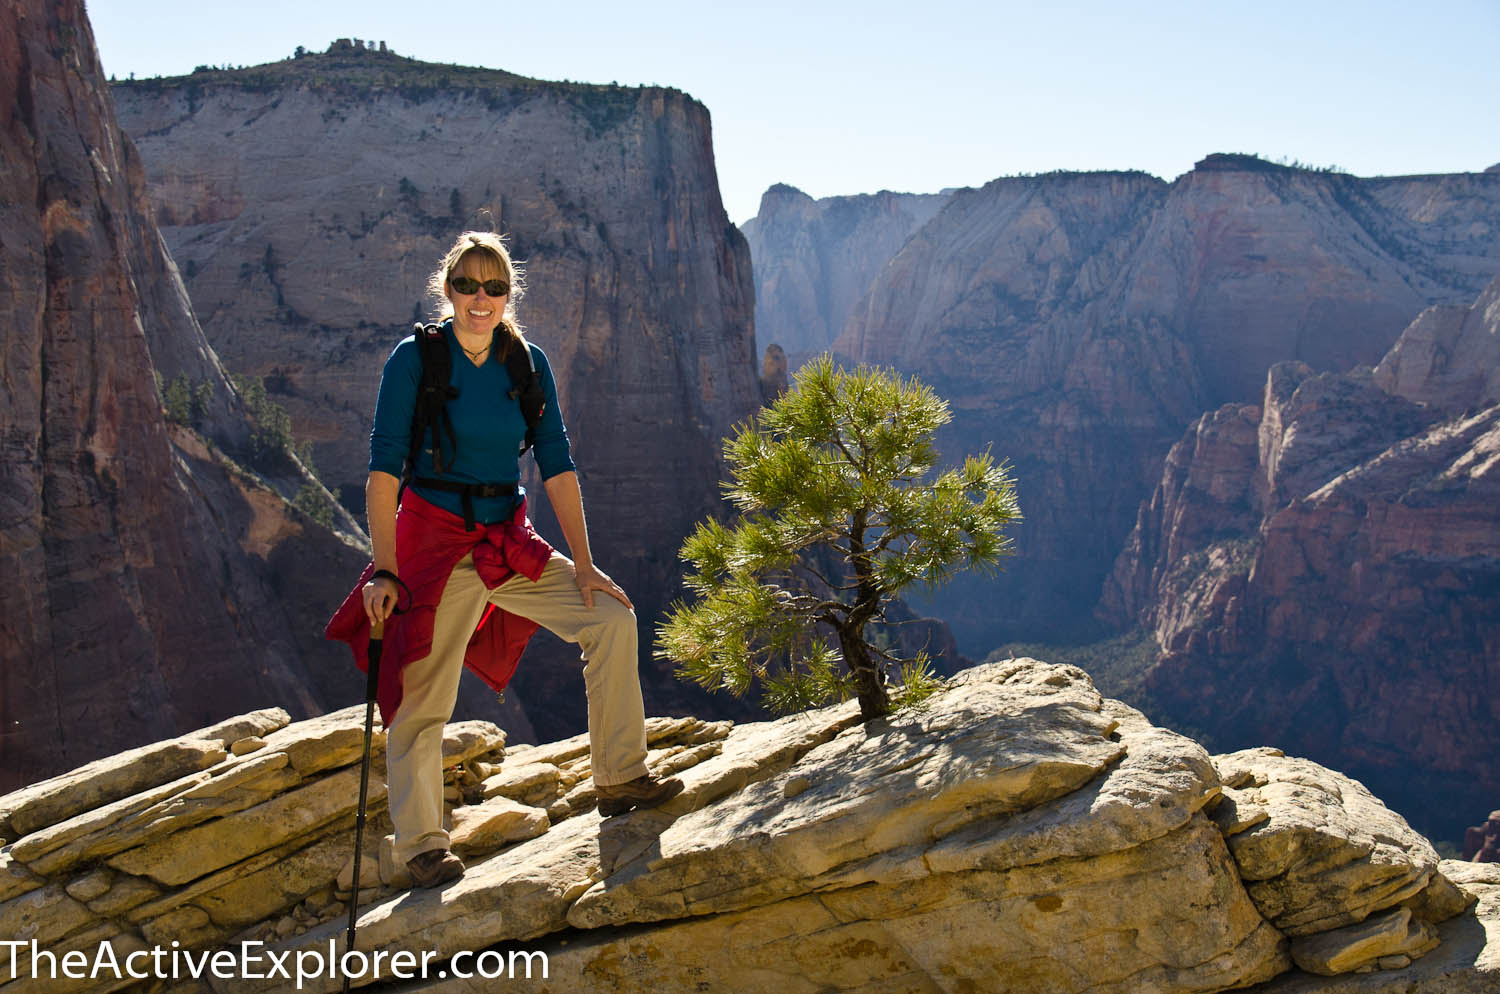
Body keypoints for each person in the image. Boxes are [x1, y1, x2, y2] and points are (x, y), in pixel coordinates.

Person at [328, 231, 681, 889]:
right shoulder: (415, 360)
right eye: (467, 285)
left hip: (504, 539)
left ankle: (620, 778)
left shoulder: (527, 364)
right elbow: (382, 469)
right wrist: (384, 567)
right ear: (448, 290)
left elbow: (557, 461)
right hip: (432, 543)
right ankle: (422, 846)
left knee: (609, 618)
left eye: (494, 286)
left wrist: (583, 563)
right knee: (422, 693)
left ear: (509, 294)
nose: (480, 297)